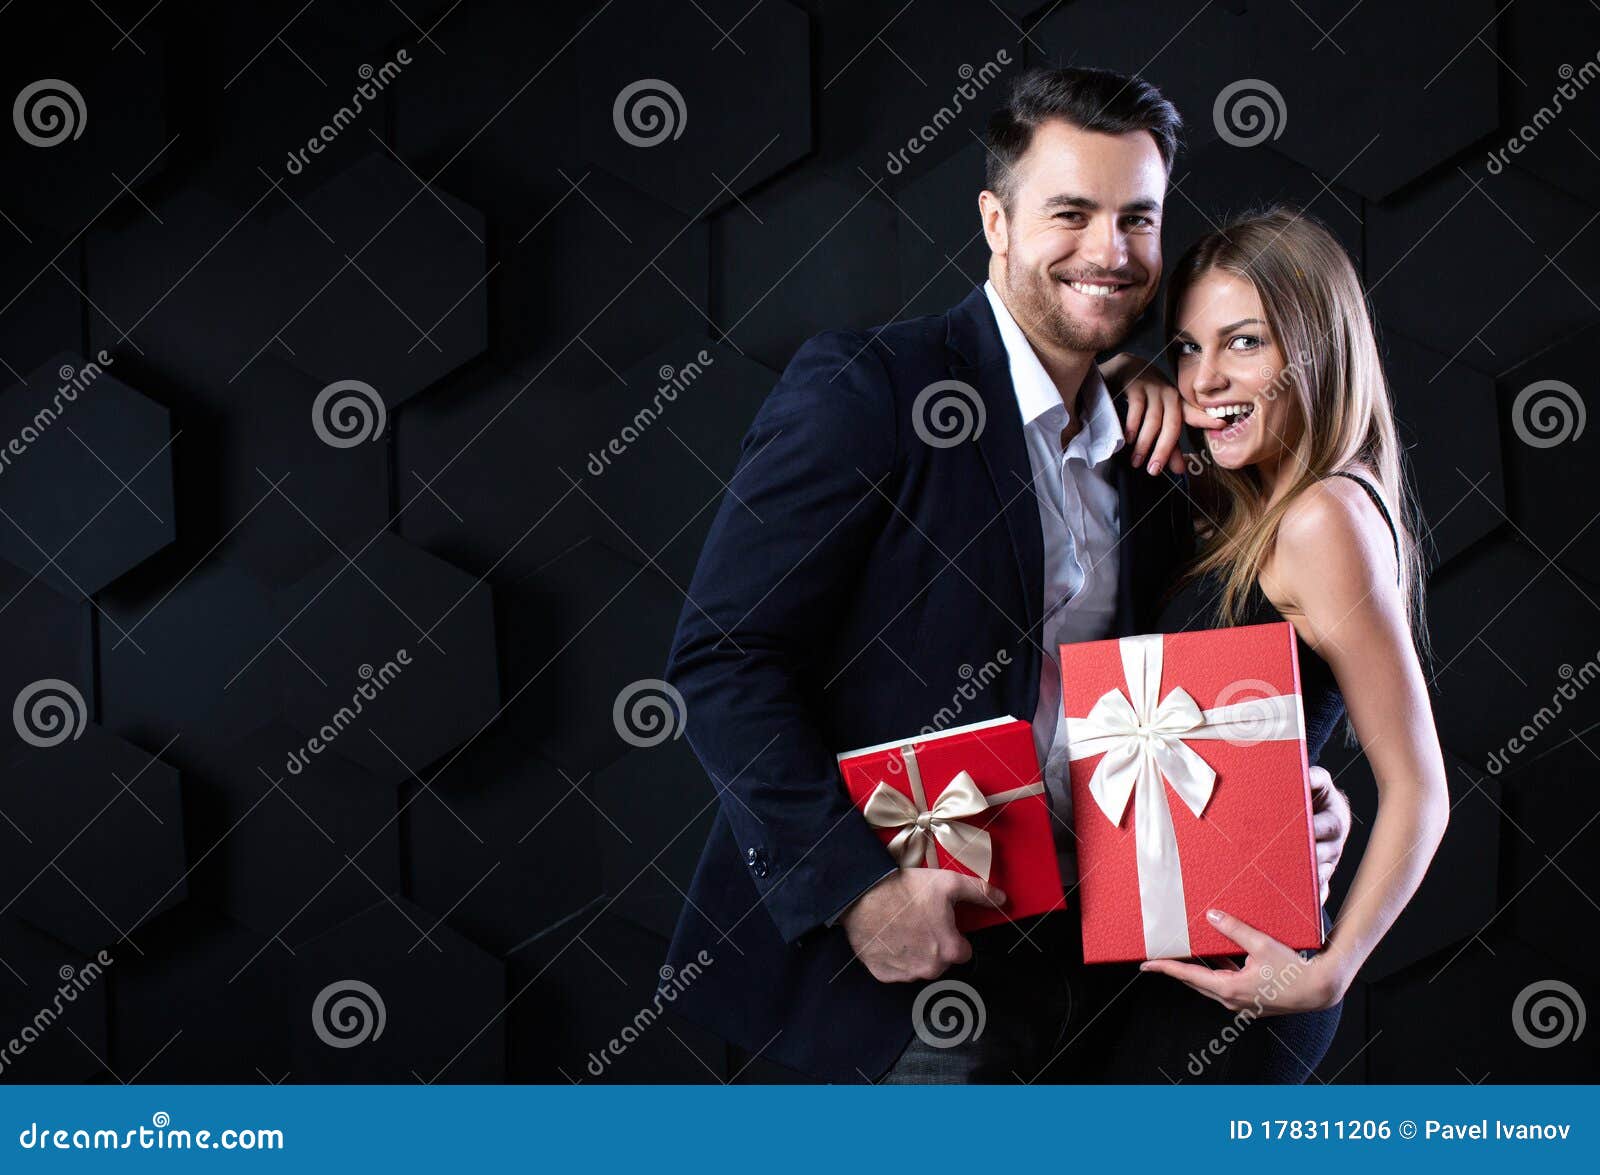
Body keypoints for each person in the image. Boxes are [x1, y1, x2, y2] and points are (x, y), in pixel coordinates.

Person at [657, 68, 1354, 1084]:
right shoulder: (873, 391)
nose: (1107, 254)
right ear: (995, 220)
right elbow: (724, 658)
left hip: (1117, 963)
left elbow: (1214, 663)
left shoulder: (1164, 450)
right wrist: (855, 888)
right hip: (912, 968)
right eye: (1069, 212)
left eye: (1137, 219)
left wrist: (1294, 795)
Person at [1095, 206, 1450, 1082]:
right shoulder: (1262, 501)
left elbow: (1420, 787)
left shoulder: (1324, 516)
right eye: (1186, 348)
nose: (1205, 379)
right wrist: (1122, 368)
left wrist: (1331, 972)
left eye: (1243, 343)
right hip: (1183, 950)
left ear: (1316, 349)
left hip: (1232, 989)